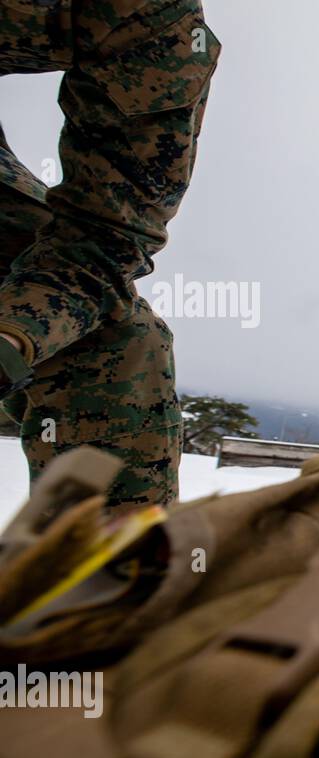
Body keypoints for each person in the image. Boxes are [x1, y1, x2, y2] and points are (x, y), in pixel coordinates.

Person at [0, 0, 220, 513]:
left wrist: (13, 336)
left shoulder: (140, 17)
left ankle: (103, 578)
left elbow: (98, 242)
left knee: (112, 341)